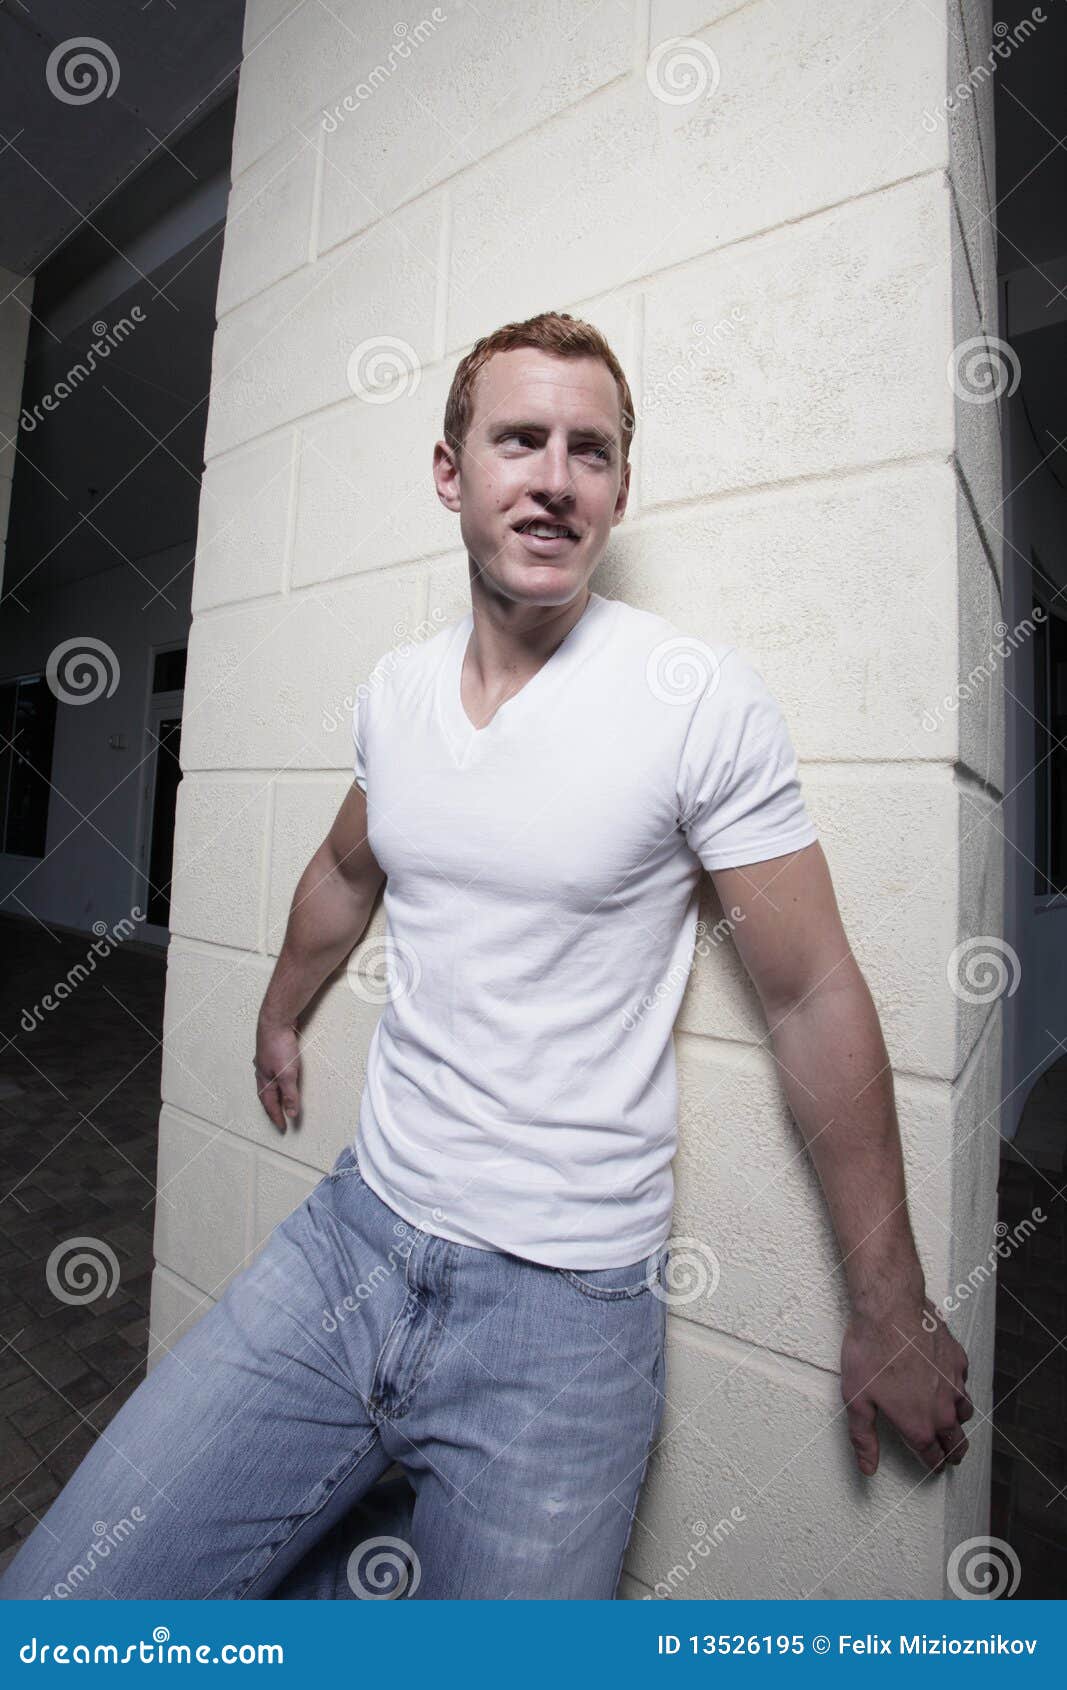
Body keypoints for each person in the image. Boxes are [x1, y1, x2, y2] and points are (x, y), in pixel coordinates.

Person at [0, 311, 972, 1602]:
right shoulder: (395, 694)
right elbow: (351, 867)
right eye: (521, 440)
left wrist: (889, 1301)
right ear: (452, 470)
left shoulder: (696, 696)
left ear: (620, 487)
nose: (556, 477)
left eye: (593, 450)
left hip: (563, 1320)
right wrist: (282, 1014)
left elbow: (809, 992)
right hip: (350, 1241)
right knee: (64, 1608)